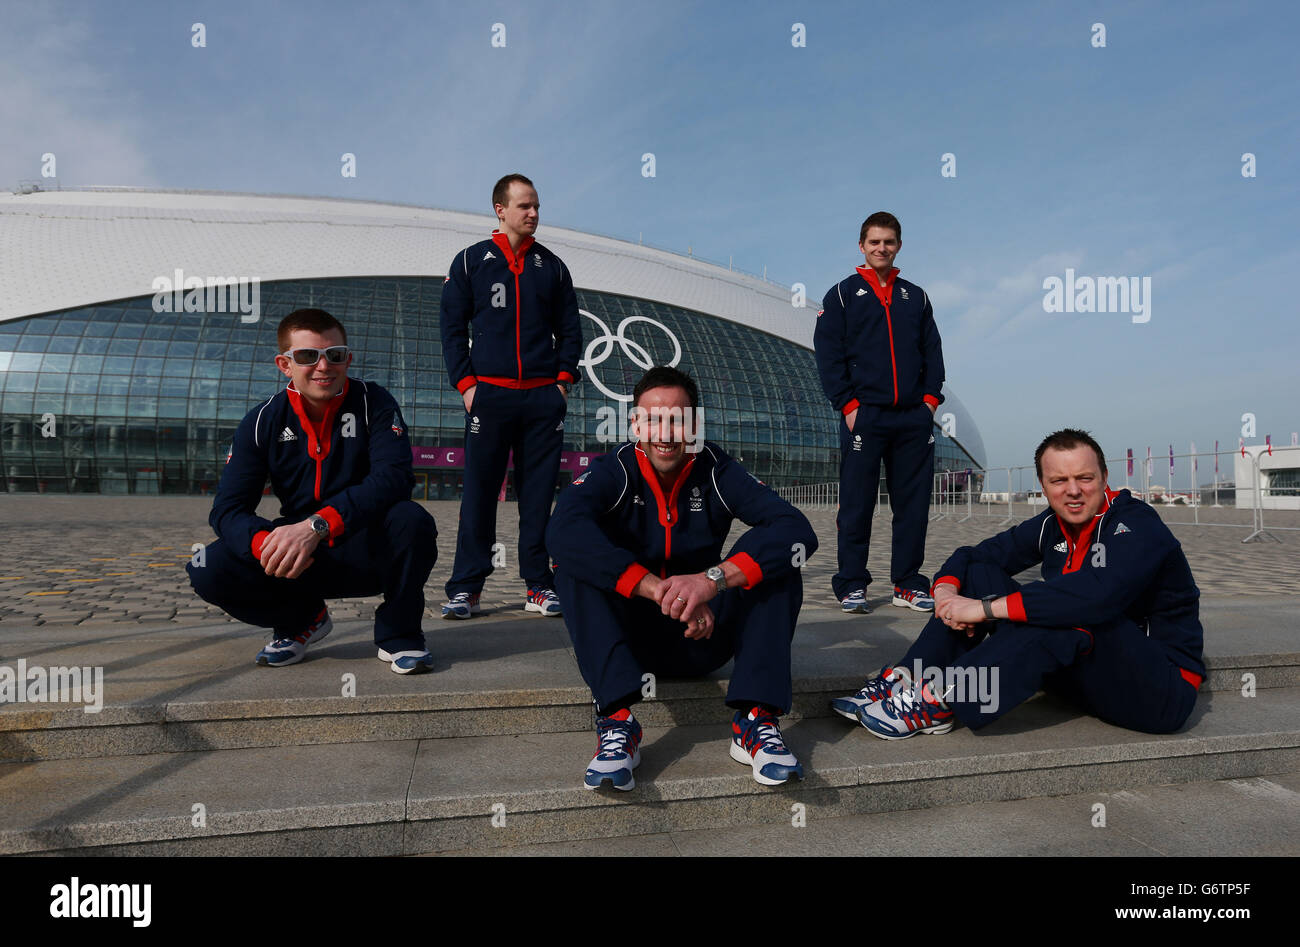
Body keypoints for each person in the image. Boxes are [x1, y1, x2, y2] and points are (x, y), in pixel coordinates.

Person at [546, 366, 818, 790]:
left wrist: (712, 581)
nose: (665, 432)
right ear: (635, 424)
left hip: (702, 636)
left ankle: (754, 722)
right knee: (571, 562)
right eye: (652, 418)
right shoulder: (613, 470)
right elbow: (562, 531)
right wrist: (659, 590)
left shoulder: (717, 470)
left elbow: (795, 529)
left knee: (779, 564)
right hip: (628, 643)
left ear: (694, 424)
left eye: (677, 419)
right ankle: (617, 723)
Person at [839, 429, 1204, 738]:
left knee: (1073, 610)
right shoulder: (1051, 523)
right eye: (1059, 480)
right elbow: (974, 555)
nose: (1073, 490)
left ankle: (941, 697)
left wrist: (983, 609)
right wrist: (947, 594)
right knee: (980, 573)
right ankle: (911, 676)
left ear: (1105, 479)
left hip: (1158, 690)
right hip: (1081, 673)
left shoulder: (1136, 523)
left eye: (1085, 478)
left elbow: (1097, 595)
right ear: (1044, 485)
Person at [187, 309, 438, 673]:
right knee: (206, 565)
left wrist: (318, 525)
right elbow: (227, 509)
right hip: (298, 562)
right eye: (308, 356)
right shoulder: (261, 421)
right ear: (284, 364)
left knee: (411, 520)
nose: (324, 366)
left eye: (334, 355)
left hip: (362, 543)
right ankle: (301, 621)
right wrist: (265, 543)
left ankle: (401, 634)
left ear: (347, 359)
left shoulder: (375, 403)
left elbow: (394, 479)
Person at [439, 173, 583, 620]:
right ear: (499, 209)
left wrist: (561, 383)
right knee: (479, 496)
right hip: (491, 398)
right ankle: (467, 588)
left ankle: (539, 585)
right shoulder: (470, 262)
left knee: (538, 497)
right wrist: (467, 386)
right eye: (524, 206)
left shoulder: (553, 267)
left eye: (537, 205)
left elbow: (571, 330)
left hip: (542, 400)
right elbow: (450, 329)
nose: (534, 214)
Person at [814, 211, 945, 617]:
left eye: (888, 242)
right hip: (865, 416)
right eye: (874, 242)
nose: (881, 248)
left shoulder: (916, 297)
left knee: (913, 504)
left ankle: (908, 583)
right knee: (857, 504)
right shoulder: (841, 294)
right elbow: (828, 353)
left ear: (898, 245)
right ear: (862, 246)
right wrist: (848, 406)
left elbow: (933, 354)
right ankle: (852, 584)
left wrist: (929, 402)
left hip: (912, 418)